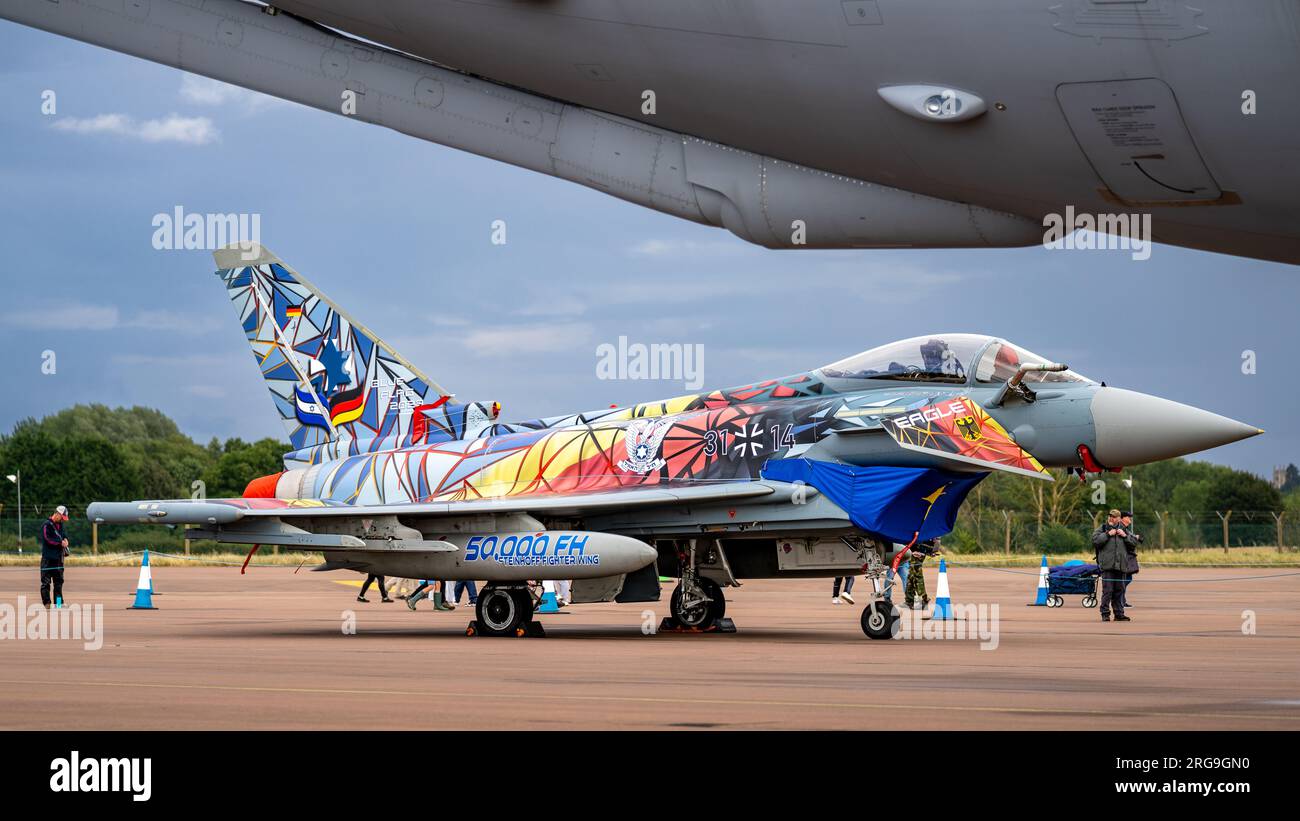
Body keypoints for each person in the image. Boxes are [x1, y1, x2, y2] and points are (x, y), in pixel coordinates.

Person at [1092, 509, 1135, 622]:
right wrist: (1107, 534)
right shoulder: (1102, 529)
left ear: (1119, 519)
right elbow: (1095, 541)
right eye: (1110, 516)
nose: (1111, 518)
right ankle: (1105, 614)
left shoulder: (1124, 529)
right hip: (1107, 566)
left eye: (1114, 517)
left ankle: (1119, 614)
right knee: (1108, 591)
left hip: (1121, 566)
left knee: (1119, 591)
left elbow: (1133, 543)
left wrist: (1125, 536)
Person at [39, 505, 71, 609]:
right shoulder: (46, 525)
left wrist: (66, 539)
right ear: (57, 514)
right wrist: (60, 543)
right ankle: (47, 603)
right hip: (47, 559)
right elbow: (48, 539)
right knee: (46, 583)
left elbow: (64, 535)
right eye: (62, 517)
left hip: (58, 559)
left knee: (58, 582)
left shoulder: (60, 525)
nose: (63, 520)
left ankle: (58, 604)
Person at [904, 538, 942, 610]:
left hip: (919, 551)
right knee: (910, 576)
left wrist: (925, 552)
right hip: (914, 549)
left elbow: (936, 539)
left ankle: (924, 599)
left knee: (917, 575)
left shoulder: (928, 528)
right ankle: (909, 601)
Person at [1119, 511, 1142, 608]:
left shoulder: (1125, 529)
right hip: (1123, 557)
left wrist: (1135, 538)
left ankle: (1121, 600)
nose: (1130, 518)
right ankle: (1120, 601)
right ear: (1122, 518)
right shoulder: (1120, 528)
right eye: (1128, 517)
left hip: (1128, 557)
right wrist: (1134, 538)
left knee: (1127, 578)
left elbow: (1132, 541)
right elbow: (1129, 541)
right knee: (1124, 579)